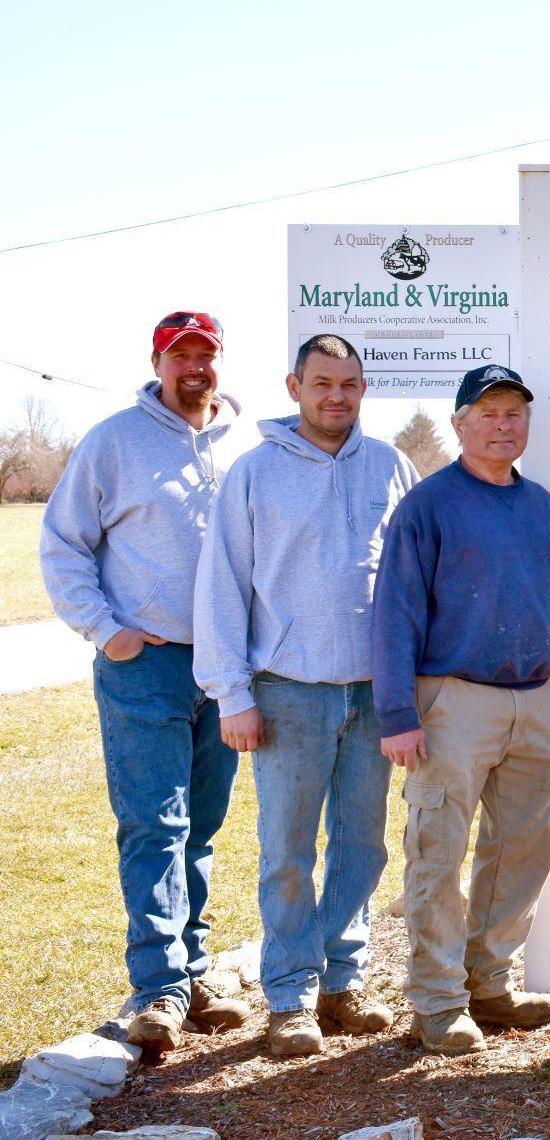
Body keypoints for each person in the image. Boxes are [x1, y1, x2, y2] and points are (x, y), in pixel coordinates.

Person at [371, 364, 550, 1055]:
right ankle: (438, 1002)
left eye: (514, 414)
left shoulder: (541, 509)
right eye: (488, 414)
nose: (503, 426)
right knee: (438, 855)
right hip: (453, 701)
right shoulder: (429, 507)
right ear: (459, 425)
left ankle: (489, 983)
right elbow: (395, 614)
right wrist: (397, 714)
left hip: (535, 701)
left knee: (524, 848)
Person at [194, 335, 418, 1056]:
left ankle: (339, 983)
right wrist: (231, 693)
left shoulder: (391, 466)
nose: (337, 396)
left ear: (362, 388)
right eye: (322, 382)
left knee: (364, 846)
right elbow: (222, 584)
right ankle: (289, 995)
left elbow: (415, 581)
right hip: (287, 691)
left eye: (350, 383)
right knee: (287, 850)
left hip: (374, 693)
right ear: (294, 386)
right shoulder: (255, 473)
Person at [38, 311, 254, 1052]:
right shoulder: (113, 442)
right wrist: (108, 631)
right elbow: (64, 543)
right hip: (146, 665)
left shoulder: (247, 441)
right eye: (180, 354)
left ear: (221, 362)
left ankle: (192, 974)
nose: (195, 366)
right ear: (158, 361)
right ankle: (157, 988)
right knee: (153, 824)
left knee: (202, 826)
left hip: (226, 667)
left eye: (206, 354)